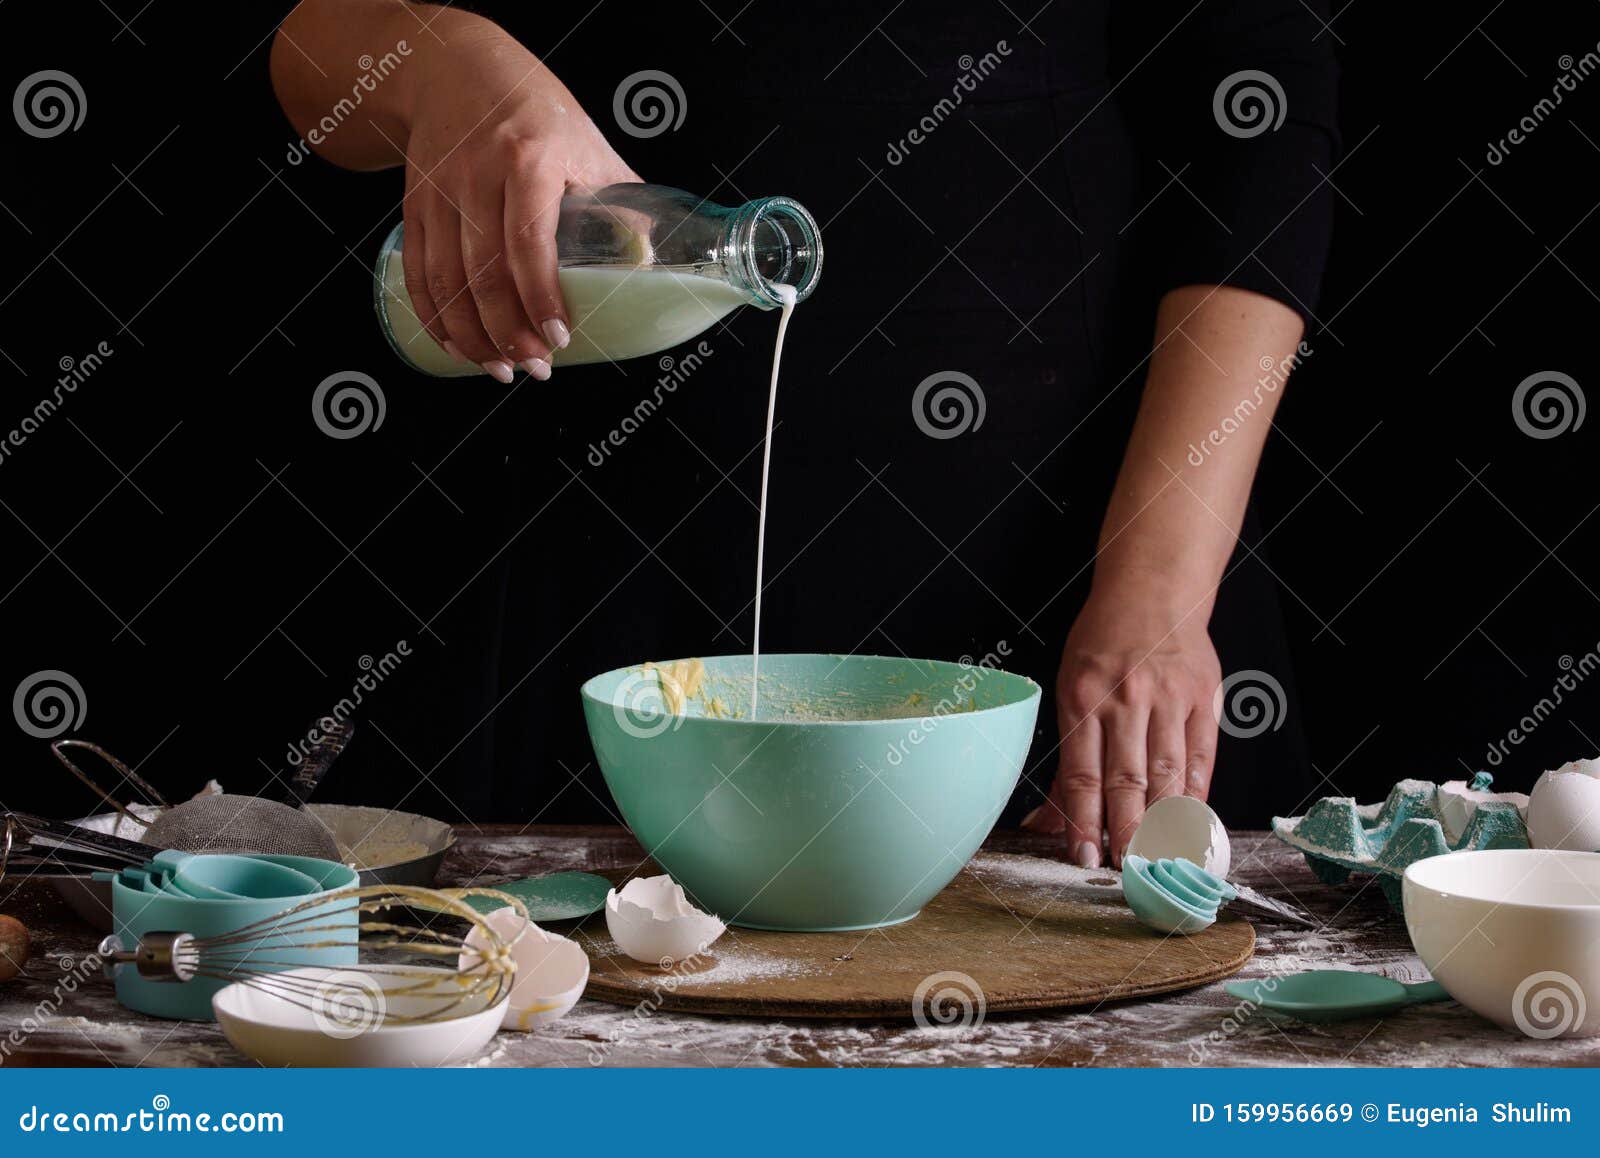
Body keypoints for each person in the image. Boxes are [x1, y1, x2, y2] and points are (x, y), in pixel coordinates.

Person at [269, 1, 1336, 867]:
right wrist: (439, 55)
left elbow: (1258, 126)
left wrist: (1157, 593)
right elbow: (300, 46)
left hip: (1068, 571)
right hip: (573, 569)